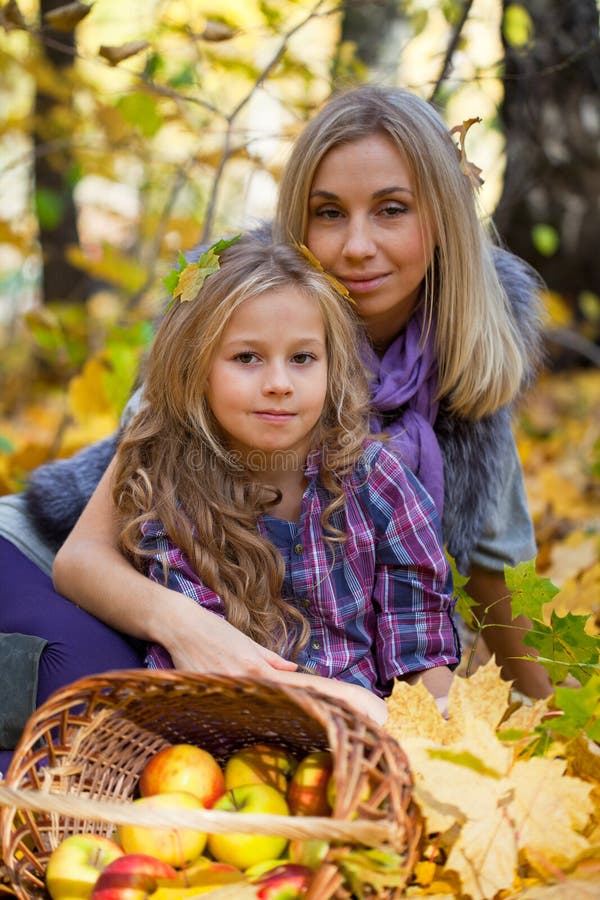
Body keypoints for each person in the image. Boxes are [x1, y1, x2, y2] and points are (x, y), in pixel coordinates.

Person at [0, 84, 547, 769]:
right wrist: (190, 628)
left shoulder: (469, 364)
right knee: (106, 727)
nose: (356, 246)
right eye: (328, 213)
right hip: (79, 564)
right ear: (299, 220)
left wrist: (543, 737)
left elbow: (497, 571)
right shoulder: (237, 317)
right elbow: (90, 553)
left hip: (249, 653)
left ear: (442, 220)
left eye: (391, 210)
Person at [112, 234, 460, 724]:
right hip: (224, 736)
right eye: (247, 357)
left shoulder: (379, 483)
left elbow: (420, 646)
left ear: (330, 365)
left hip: (367, 746)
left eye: (301, 358)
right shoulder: (174, 491)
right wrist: (345, 702)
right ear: (196, 369)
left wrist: (435, 720)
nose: (279, 383)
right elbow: (206, 668)